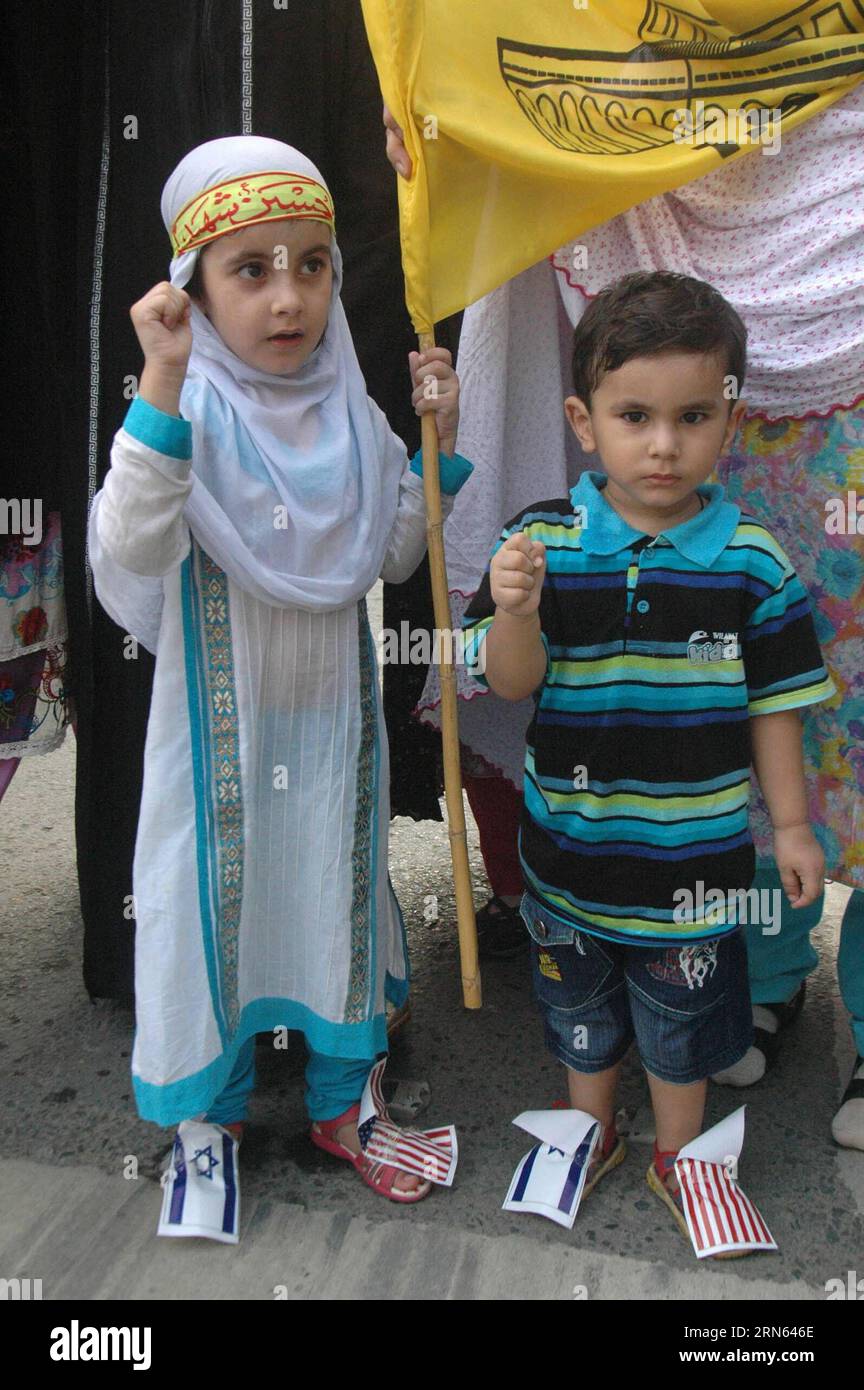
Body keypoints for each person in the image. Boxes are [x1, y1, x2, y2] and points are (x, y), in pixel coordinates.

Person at [87, 135, 472, 1232]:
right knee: (212, 900)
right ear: (195, 289)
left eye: (311, 263)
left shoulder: (350, 413)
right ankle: (207, 1123)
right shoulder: (189, 411)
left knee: (334, 890)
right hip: (219, 736)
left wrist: (436, 437)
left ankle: (347, 1104)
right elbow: (131, 542)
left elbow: (398, 552)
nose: (289, 294)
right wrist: (160, 379)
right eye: (251, 268)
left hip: (336, 729)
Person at [461, 271, 834, 1247]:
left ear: (730, 421)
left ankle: (680, 1149)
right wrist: (510, 609)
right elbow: (508, 683)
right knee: (578, 1009)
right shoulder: (540, 543)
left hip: (695, 874)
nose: (664, 444)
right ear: (585, 422)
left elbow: (778, 704)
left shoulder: (753, 561)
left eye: (693, 415)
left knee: (683, 1024)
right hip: (566, 862)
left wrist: (790, 825)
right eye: (636, 415)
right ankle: (589, 1131)